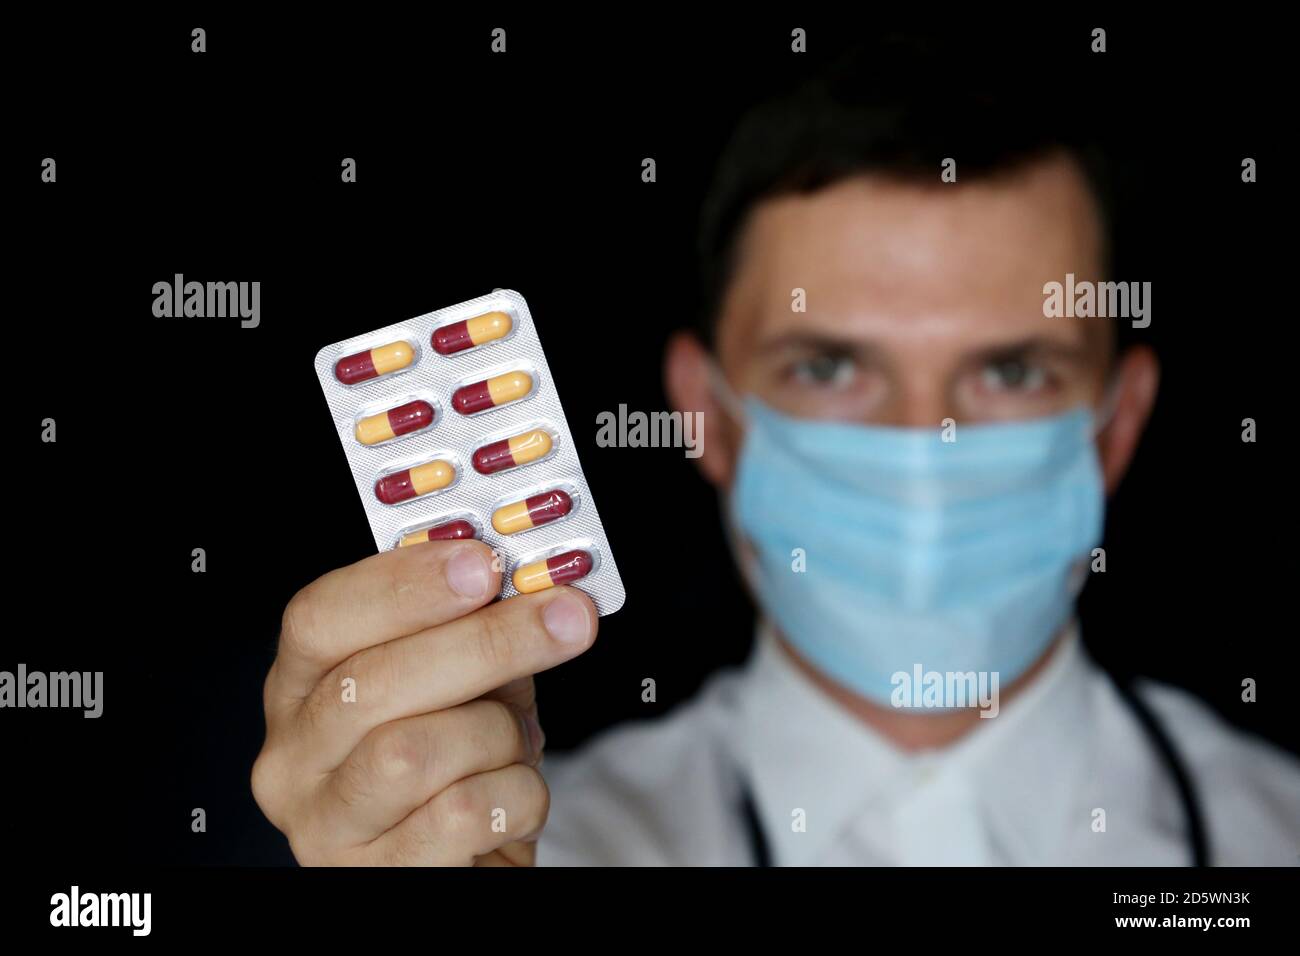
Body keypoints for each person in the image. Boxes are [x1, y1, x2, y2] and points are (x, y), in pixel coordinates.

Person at [252, 37, 1300, 866]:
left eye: (1012, 372)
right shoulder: (511, 847)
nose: (919, 448)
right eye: (830, 367)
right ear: (703, 411)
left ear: (1114, 425)